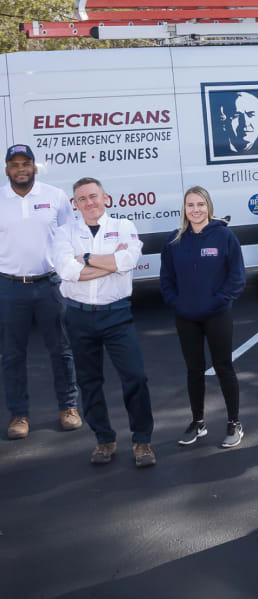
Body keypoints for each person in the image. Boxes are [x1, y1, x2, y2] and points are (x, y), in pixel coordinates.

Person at [53, 177, 156, 468]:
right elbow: (67, 270)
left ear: (105, 198)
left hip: (116, 314)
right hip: (78, 315)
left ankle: (142, 440)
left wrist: (85, 258)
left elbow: (127, 261)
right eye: (82, 198)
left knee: (135, 377)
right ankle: (104, 439)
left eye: (93, 196)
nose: (89, 202)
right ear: (75, 204)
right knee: (89, 381)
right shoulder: (63, 232)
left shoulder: (124, 227)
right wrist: (107, 265)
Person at [0, 144, 80, 440]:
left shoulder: (55, 197)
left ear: (35, 166)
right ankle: (18, 415)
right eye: (15, 164)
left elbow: (68, 240)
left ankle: (68, 407)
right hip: (9, 287)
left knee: (61, 350)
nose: (21, 169)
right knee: (11, 355)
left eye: (26, 163)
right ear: (7, 169)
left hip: (49, 285)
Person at [160, 186, 246, 449]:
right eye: (190, 205)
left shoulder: (224, 236)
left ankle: (234, 423)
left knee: (224, 368)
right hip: (186, 317)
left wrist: (218, 301)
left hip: (217, 315)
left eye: (200, 204)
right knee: (193, 370)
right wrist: (177, 303)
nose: (195, 210)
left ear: (208, 206)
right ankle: (198, 422)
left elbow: (237, 277)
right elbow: (167, 280)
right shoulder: (174, 241)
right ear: (184, 209)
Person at [212, 89, 258, 155]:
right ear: (224, 122)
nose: (246, 123)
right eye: (236, 115)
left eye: (251, 115)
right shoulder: (217, 151)